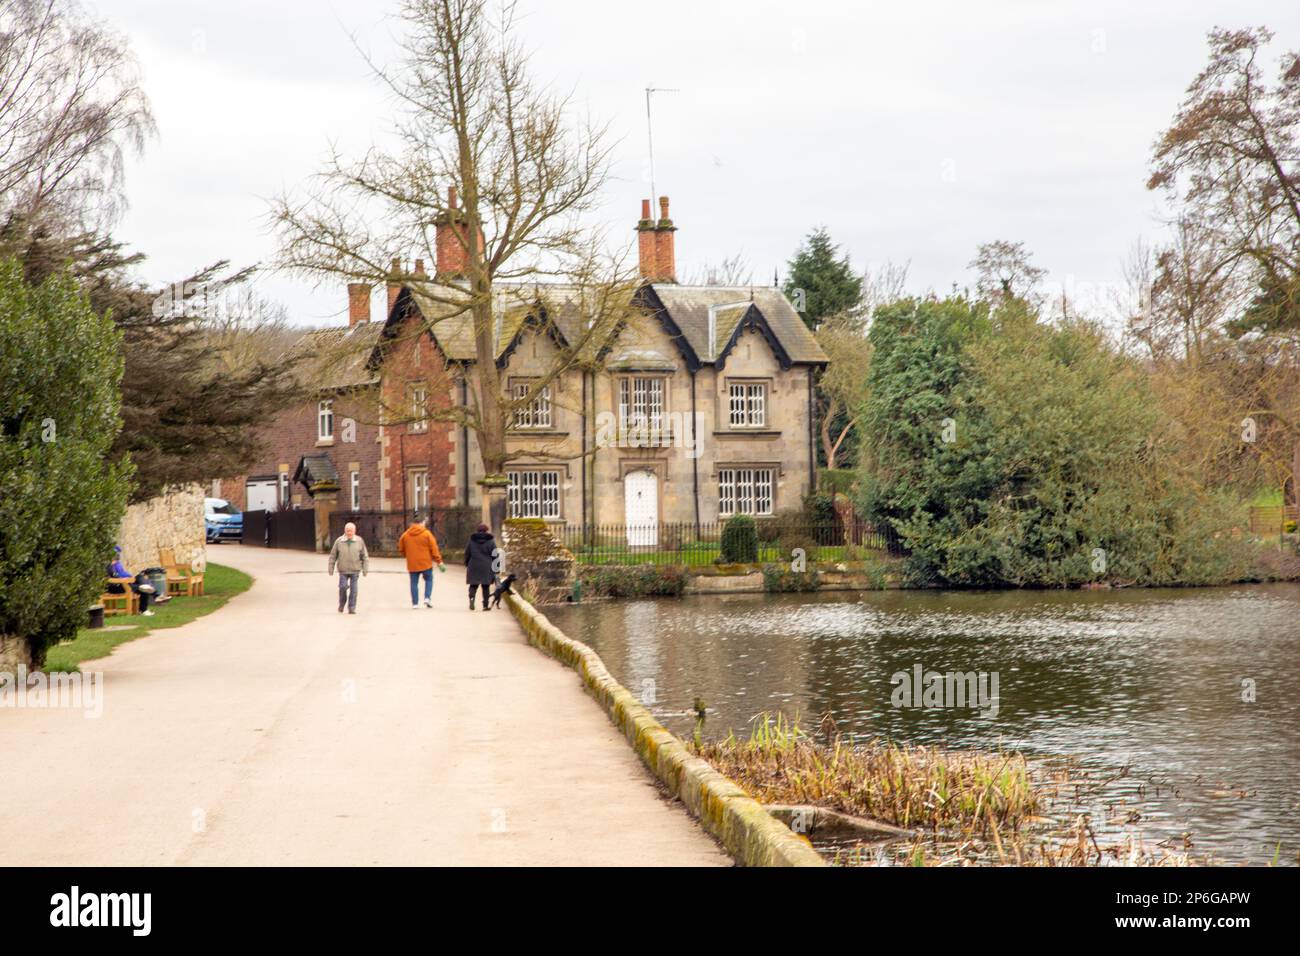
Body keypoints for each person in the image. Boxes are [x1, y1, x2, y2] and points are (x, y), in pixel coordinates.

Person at [397, 514, 445, 609]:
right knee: (429, 579)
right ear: (421, 523)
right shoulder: (427, 534)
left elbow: (401, 548)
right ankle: (427, 598)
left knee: (414, 583)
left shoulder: (405, 535)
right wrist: (439, 561)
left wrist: (408, 555)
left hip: (412, 564)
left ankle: (415, 603)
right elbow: (434, 549)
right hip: (426, 563)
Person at [328, 522, 369, 614]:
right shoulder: (339, 541)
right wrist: (331, 568)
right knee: (342, 587)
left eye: (351, 531)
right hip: (343, 570)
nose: (349, 533)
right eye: (347, 531)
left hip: (355, 570)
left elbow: (365, 556)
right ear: (345, 531)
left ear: (354, 531)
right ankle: (342, 604)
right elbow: (333, 555)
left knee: (354, 590)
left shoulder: (359, 541)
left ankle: (352, 607)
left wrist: (365, 569)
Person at [106, 546, 157, 617]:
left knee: (142, 585)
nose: (116, 559)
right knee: (141, 587)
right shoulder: (107, 566)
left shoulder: (115, 565)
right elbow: (110, 579)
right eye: (115, 557)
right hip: (114, 587)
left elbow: (120, 574)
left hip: (122, 584)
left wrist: (127, 578)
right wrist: (123, 579)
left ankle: (144, 610)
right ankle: (146, 589)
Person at [464, 523, 498, 611]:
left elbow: (467, 553)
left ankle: (472, 598)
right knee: (485, 586)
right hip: (486, 566)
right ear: (487, 530)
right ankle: (485, 605)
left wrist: (467, 563)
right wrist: (496, 568)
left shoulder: (472, 540)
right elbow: (495, 555)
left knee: (473, 585)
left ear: (477, 530)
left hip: (474, 564)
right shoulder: (491, 541)